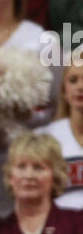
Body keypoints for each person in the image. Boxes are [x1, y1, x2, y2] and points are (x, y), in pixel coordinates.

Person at [46, 63, 83, 209]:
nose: (80, 87)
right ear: (63, 90)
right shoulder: (45, 137)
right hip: (59, 228)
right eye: (73, 80)